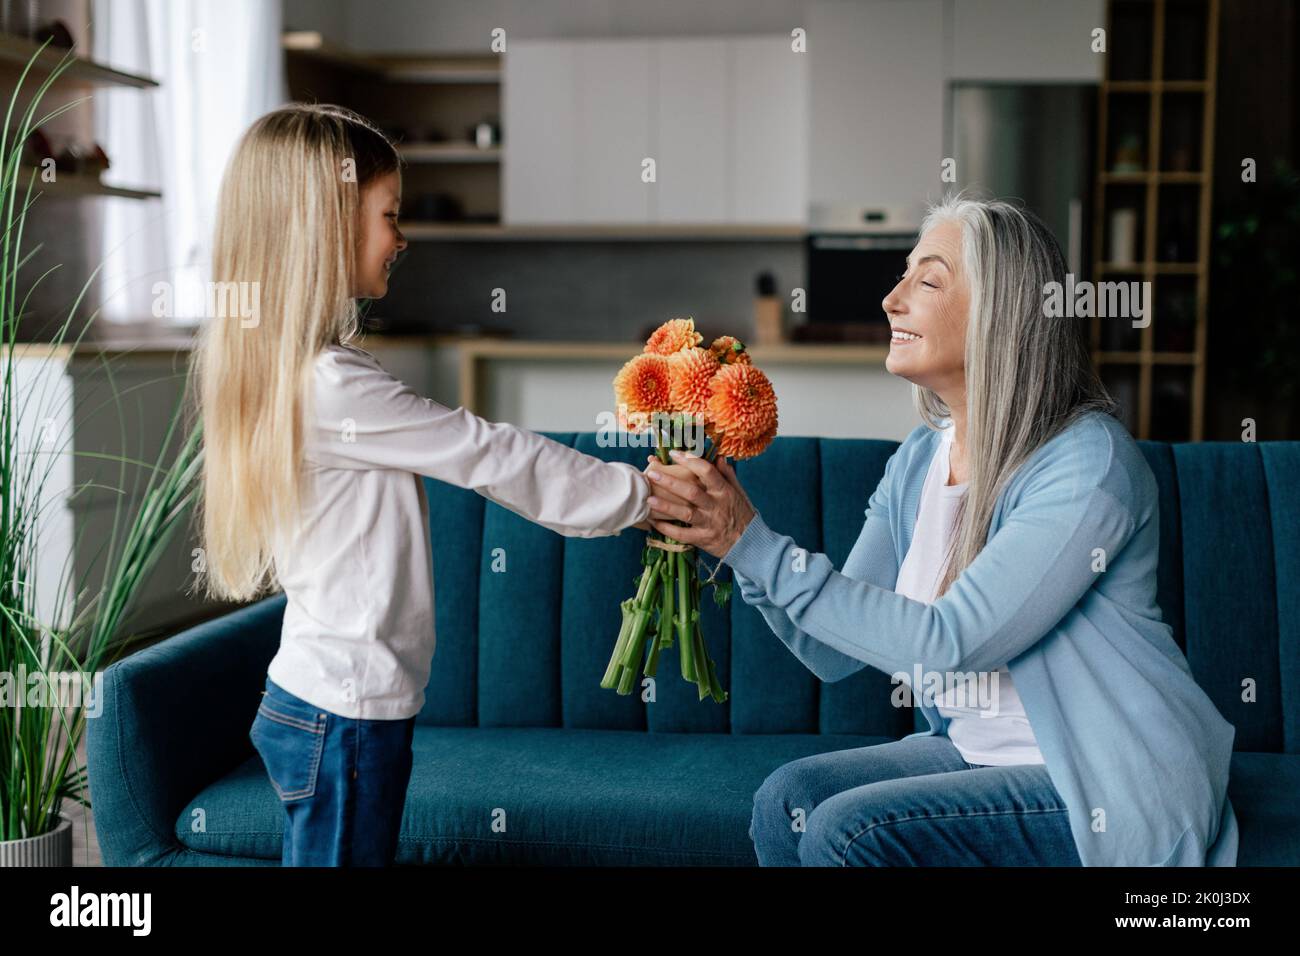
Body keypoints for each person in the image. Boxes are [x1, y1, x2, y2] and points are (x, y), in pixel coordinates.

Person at [642, 192, 1239, 867]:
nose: (892, 300)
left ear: (1000, 312)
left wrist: (752, 542)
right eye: (903, 277)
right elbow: (830, 653)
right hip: (975, 753)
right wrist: (732, 541)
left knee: (847, 829)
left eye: (926, 281)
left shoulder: (1086, 463)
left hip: (1107, 782)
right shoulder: (921, 458)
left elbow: (951, 644)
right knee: (790, 799)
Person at [187, 104, 680, 866]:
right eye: (389, 215)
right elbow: (490, 454)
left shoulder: (293, 373)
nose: (402, 237)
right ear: (324, 226)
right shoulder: (331, 386)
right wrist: (643, 496)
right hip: (343, 714)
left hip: (326, 704)